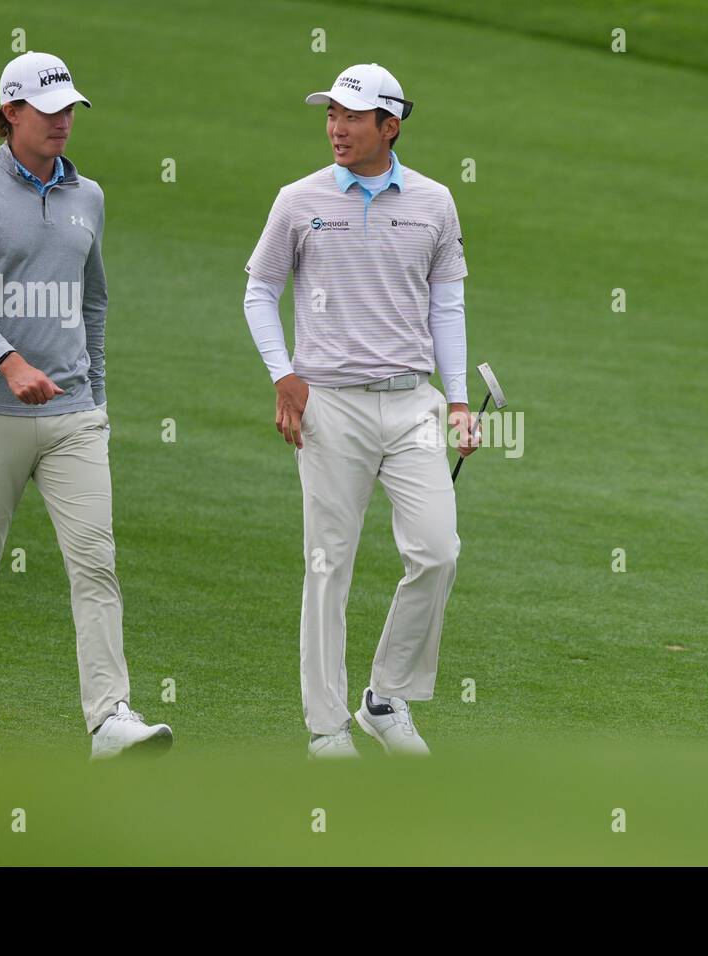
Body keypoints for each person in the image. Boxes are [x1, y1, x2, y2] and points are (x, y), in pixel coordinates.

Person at [0, 51, 172, 760]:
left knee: (96, 565)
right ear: (11, 113)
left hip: (72, 418)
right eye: (49, 109)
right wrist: (7, 361)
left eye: (71, 108)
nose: (64, 120)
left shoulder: (87, 196)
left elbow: (94, 299)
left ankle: (109, 719)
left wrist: (94, 391)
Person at [243, 63, 477, 758]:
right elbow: (260, 291)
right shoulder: (298, 199)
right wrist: (283, 375)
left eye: (351, 117)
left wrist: (459, 398)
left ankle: (384, 696)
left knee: (437, 552)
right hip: (329, 406)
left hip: (412, 404)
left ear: (389, 126)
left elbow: (447, 304)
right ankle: (326, 728)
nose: (336, 129)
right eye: (330, 116)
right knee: (327, 564)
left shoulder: (434, 202)